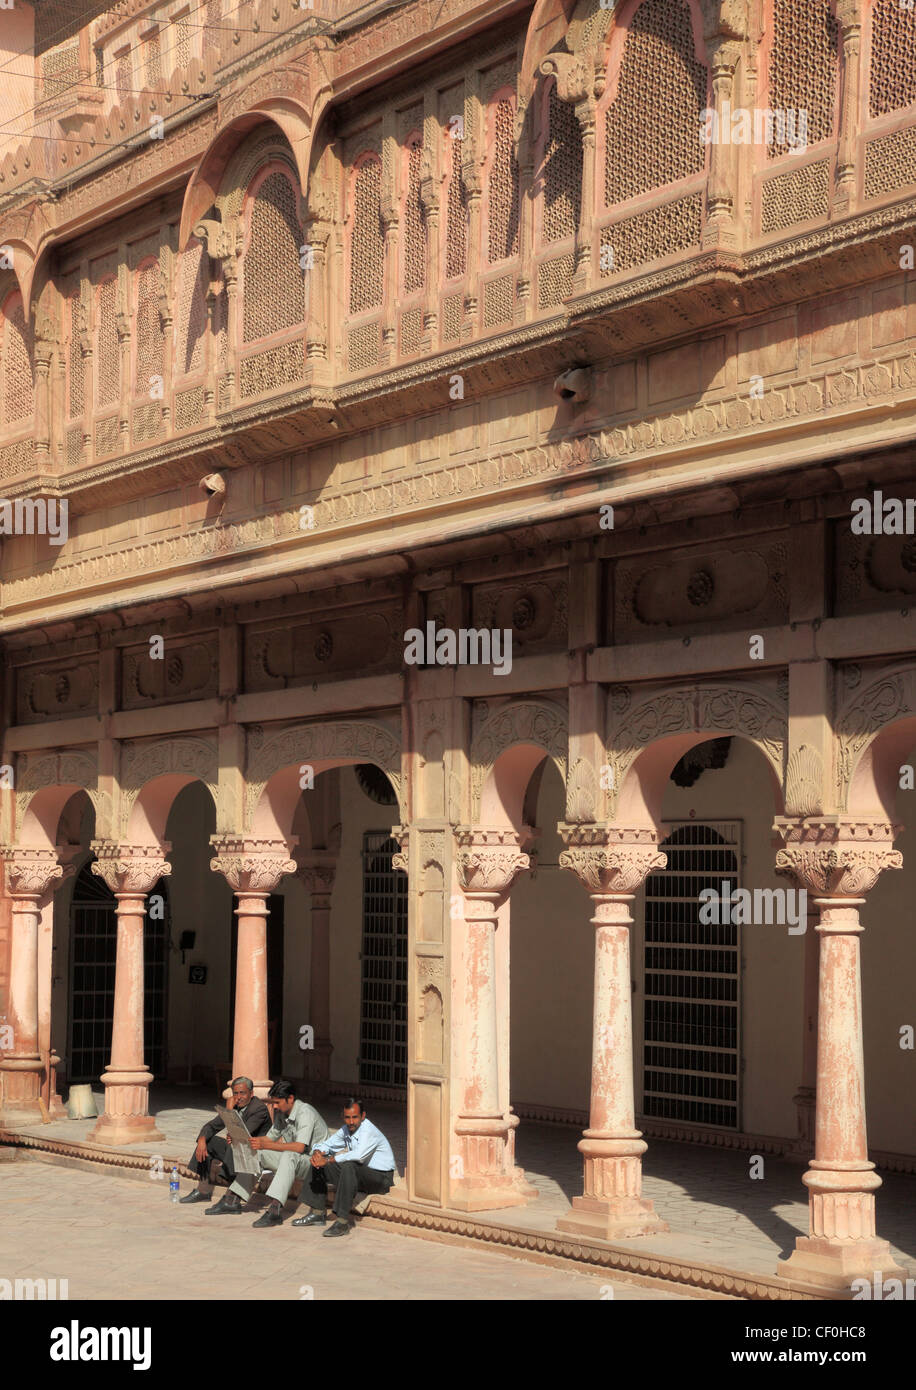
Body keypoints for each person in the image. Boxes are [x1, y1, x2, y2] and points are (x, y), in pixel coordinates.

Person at [209, 1080, 329, 1226]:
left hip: (315, 1165)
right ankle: (232, 1199)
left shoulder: (305, 1112)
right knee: (258, 1153)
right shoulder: (281, 1113)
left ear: (290, 1099)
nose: (275, 1106)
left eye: (278, 1102)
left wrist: (266, 1144)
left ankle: (274, 1210)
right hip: (296, 1160)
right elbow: (268, 1138)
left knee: (289, 1155)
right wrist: (245, 1139)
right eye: (274, 1103)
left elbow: (299, 1147)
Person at [292, 1098, 396, 1237]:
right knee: (318, 1164)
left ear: (363, 1116)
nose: (351, 1122)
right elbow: (327, 1145)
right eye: (347, 1117)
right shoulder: (346, 1129)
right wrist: (318, 1154)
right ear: (343, 1117)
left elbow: (358, 1156)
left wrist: (328, 1159)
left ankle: (341, 1222)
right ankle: (317, 1213)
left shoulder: (368, 1131)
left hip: (381, 1179)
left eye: (355, 1117)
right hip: (361, 1175)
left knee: (349, 1165)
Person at [179, 1076, 271, 1209]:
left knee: (235, 1144)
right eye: (235, 1093)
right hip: (237, 1148)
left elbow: (241, 1135)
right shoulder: (236, 1106)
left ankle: (230, 1198)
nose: (238, 1097)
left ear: (251, 1094)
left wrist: (229, 1112)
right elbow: (211, 1126)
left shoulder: (259, 1109)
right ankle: (203, 1190)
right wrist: (201, 1140)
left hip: (254, 1153)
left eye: (242, 1093)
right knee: (209, 1142)